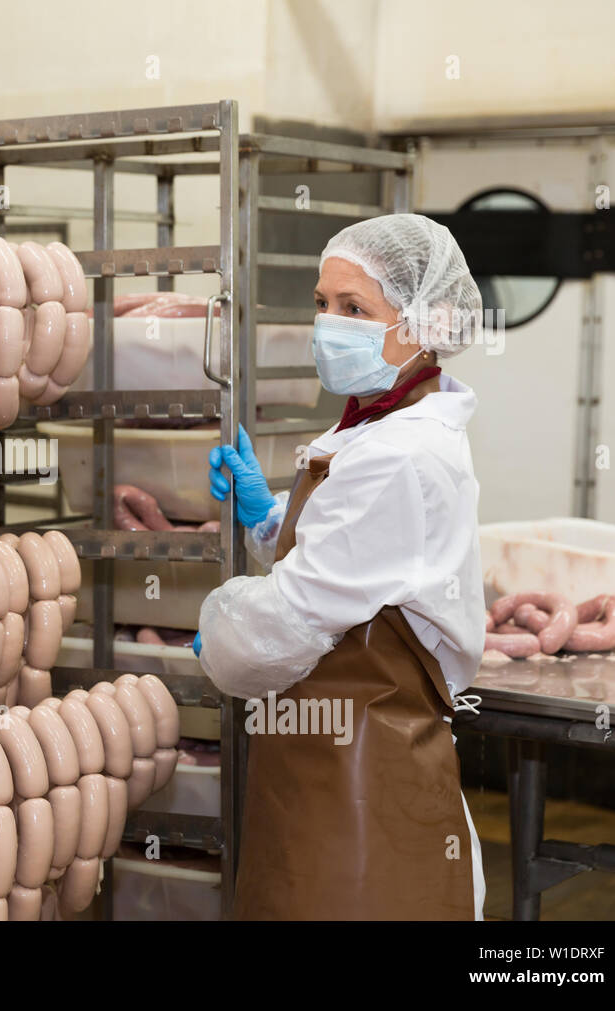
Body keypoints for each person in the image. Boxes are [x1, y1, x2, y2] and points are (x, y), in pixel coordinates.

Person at [195, 213, 488, 920]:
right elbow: (351, 563)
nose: (330, 325)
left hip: (363, 784)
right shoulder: (376, 424)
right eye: (323, 303)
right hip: (327, 764)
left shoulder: (400, 453)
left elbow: (289, 621)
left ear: (421, 325)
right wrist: (270, 518)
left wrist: (221, 631)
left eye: (355, 309)